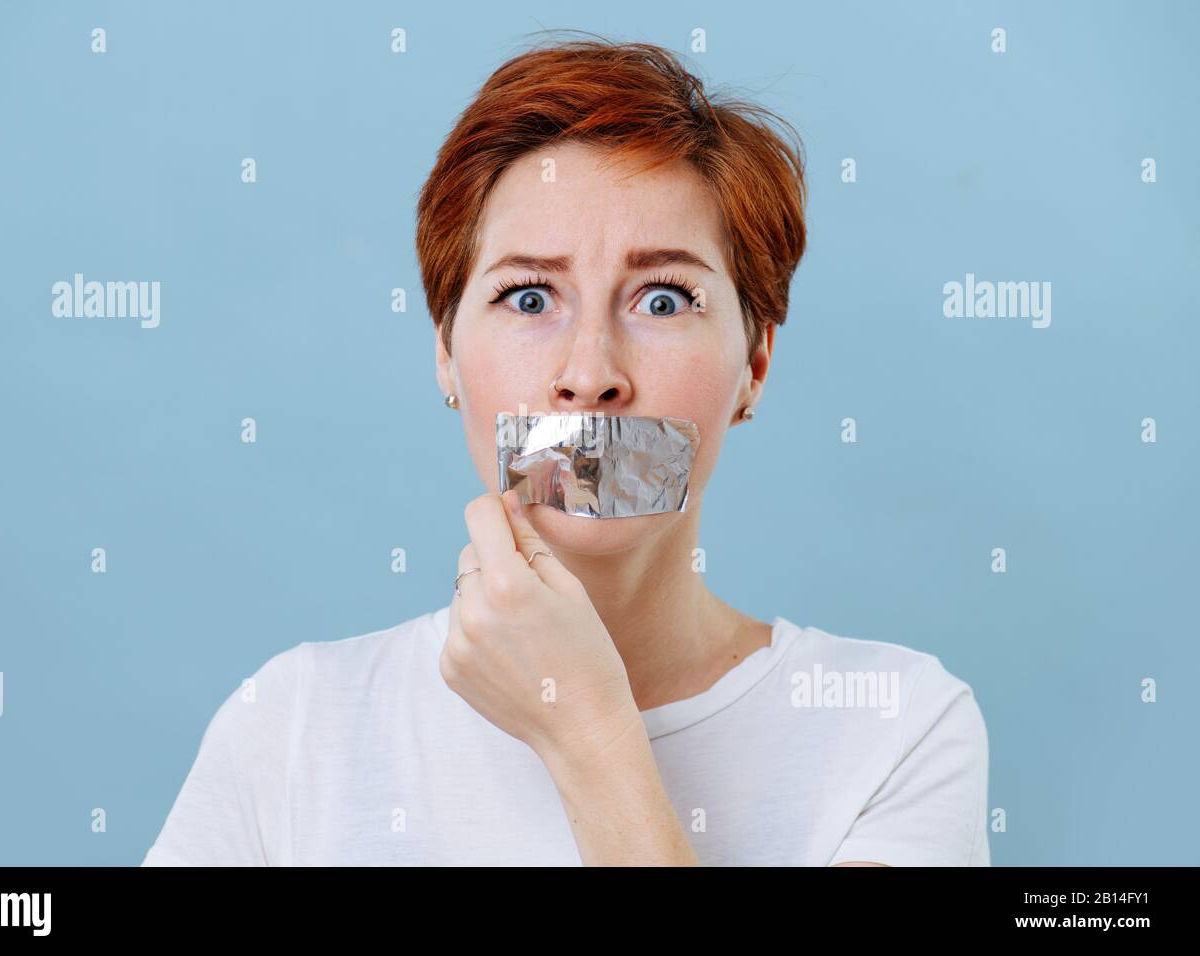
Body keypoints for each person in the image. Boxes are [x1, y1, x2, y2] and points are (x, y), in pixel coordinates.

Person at [142, 33, 989, 867]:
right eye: (528, 296)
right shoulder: (291, 725)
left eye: (663, 300)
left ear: (754, 365)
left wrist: (586, 728)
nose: (589, 377)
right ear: (446, 353)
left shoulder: (896, 727)